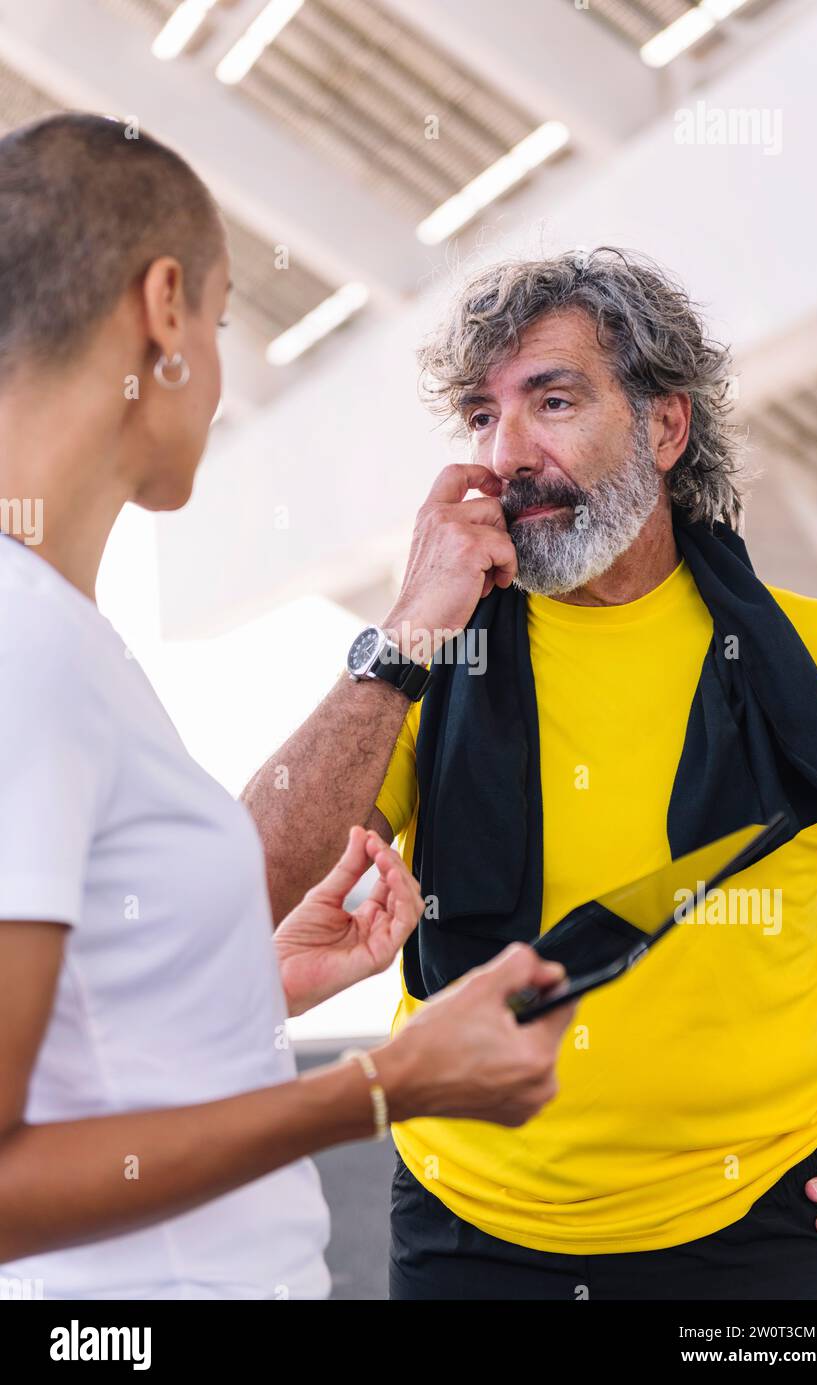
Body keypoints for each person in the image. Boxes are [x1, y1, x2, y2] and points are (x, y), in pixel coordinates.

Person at [0, 114, 577, 1302]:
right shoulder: (27, 650)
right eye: (216, 323)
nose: (213, 373)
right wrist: (383, 1085)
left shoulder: (59, 635)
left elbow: (79, 1052)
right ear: (164, 307)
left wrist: (248, 990)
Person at [245, 249, 817, 1300]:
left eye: (552, 399)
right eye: (483, 419)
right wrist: (405, 631)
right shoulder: (422, 661)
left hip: (759, 1225)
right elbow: (244, 883)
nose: (507, 455)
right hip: (469, 1233)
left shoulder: (811, 656)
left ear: (664, 428)